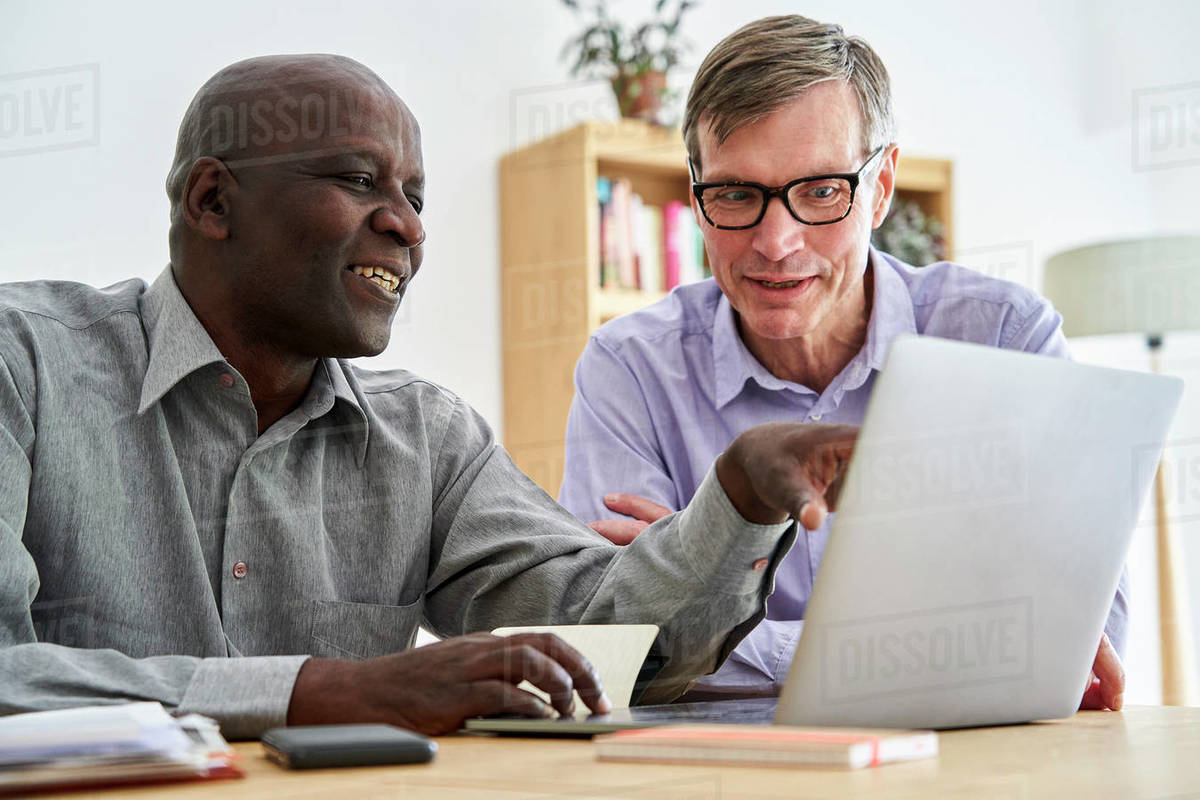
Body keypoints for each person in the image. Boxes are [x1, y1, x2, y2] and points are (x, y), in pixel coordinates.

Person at [0, 54, 861, 739]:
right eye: (358, 180)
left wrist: (742, 492)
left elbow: (613, 645)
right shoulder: (24, 364)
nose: (407, 226)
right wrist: (327, 691)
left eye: (414, 198)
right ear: (213, 200)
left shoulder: (427, 438)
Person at [558, 15, 1125, 711]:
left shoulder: (1006, 338)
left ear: (880, 186)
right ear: (698, 201)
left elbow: (1082, 638)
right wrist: (945, 638)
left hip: (968, 754)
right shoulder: (629, 370)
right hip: (713, 763)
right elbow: (615, 644)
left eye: (822, 190)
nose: (776, 242)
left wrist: (704, 609)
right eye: (736, 194)